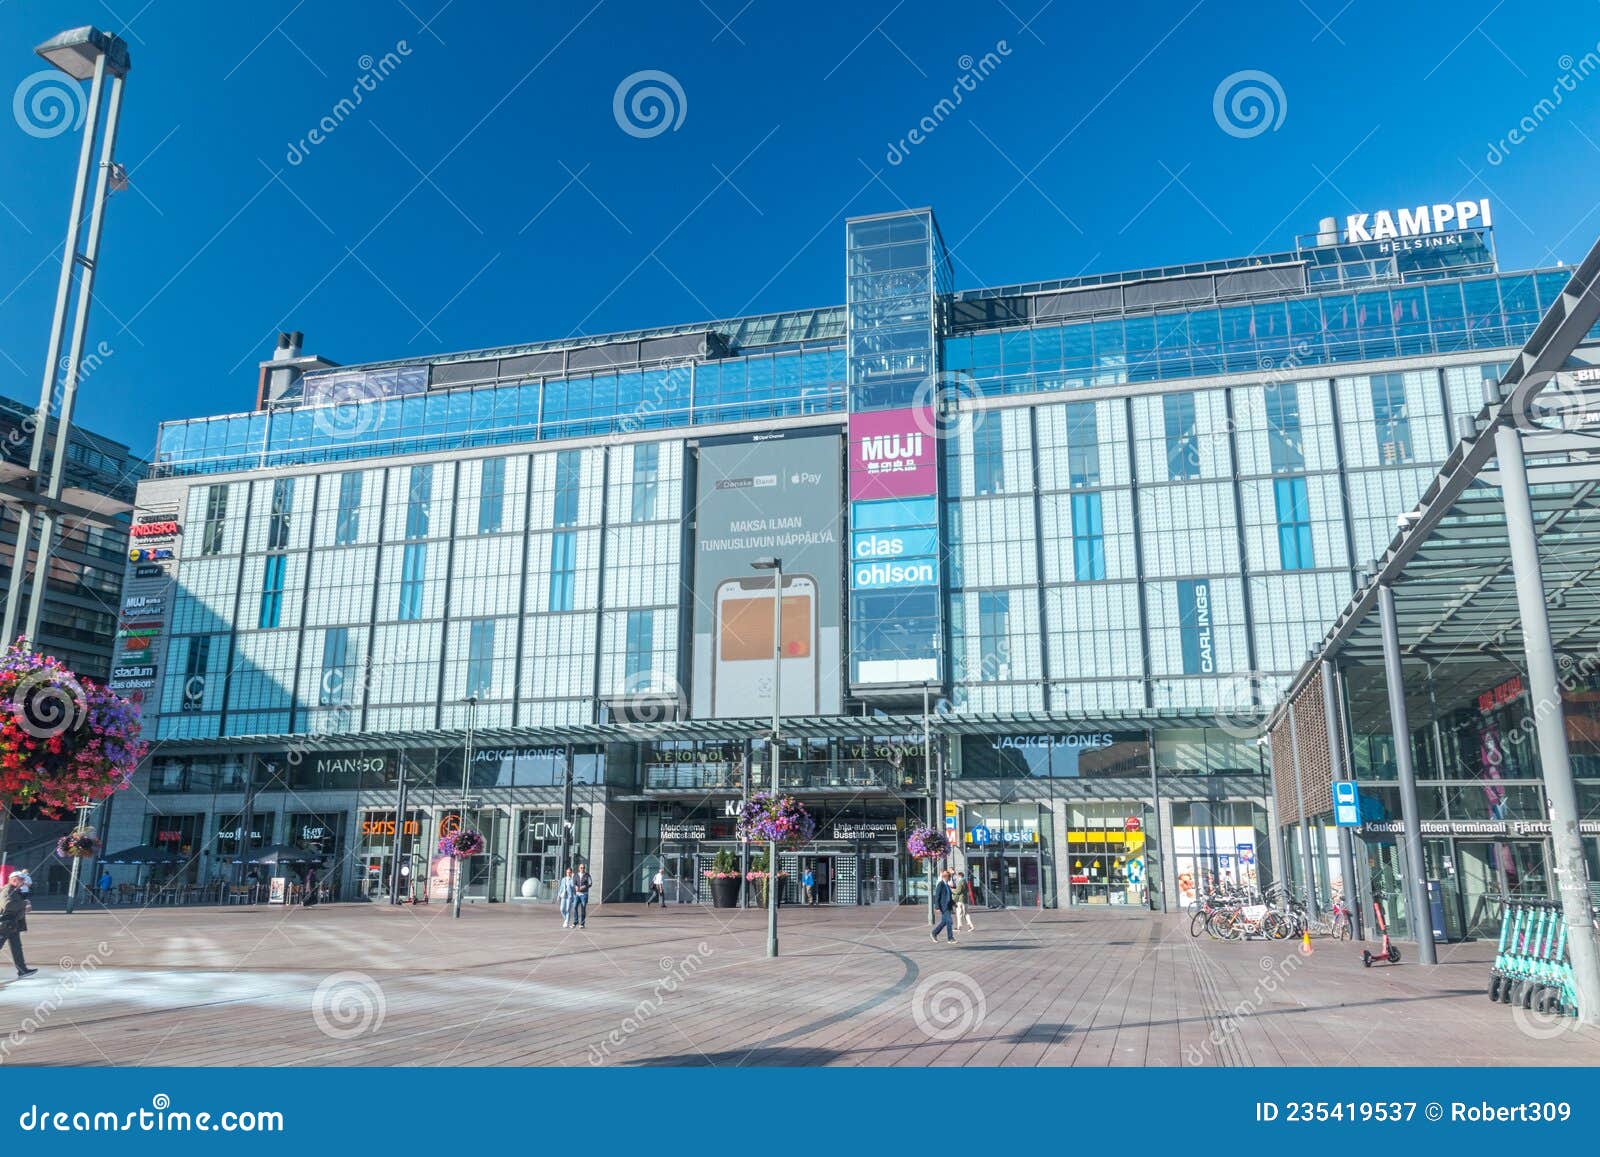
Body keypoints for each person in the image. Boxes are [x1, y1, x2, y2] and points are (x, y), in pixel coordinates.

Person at [0, 871, 38, 978]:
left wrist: (24, 907)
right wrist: (24, 903)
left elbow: (17, 904)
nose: (23, 882)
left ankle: (22, 970)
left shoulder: (15, 891)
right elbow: (7, 905)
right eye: (21, 880)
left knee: (17, 948)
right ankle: (22, 970)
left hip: (13, 924)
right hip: (5, 924)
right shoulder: (7, 890)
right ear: (14, 880)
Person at [930, 868, 956, 944]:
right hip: (943, 906)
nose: (950, 878)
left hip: (948, 906)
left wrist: (954, 903)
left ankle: (934, 933)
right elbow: (937, 896)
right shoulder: (940, 884)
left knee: (944, 922)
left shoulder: (947, 885)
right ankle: (950, 938)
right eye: (949, 877)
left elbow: (948, 896)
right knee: (949, 921)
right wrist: (937, 907)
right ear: (945, 877)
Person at [571, 862, 592, 928]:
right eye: (581, 868)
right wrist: (576, 887)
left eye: (583, 868)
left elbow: (590, 883)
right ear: (579, 868)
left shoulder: (587, 875)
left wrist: (585, 886)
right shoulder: (576, 875)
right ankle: (575, 921)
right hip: (577, 894)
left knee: (583, 908)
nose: (582, 869)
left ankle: (582, 924)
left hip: (584, 894)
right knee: (574, 906)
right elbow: (574, 883)